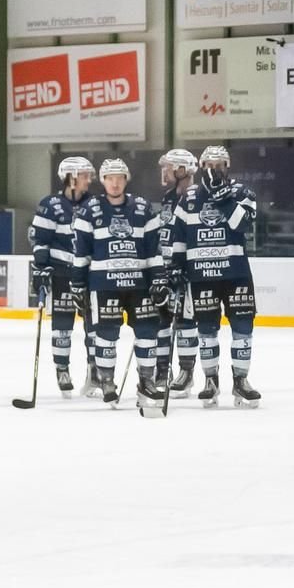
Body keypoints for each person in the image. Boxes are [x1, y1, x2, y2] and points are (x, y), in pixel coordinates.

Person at [69, 157, 170, 415]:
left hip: (139, 286)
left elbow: (153, 250)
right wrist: (77, 284)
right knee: (106, 335)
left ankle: (146, 383)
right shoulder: (89, 210)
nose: (115, 183)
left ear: (126, 179)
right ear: (102, 180)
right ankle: (106, 381)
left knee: (148, 333)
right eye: (110, 178)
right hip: (103, 287)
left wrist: (159, 279)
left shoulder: (143, 208)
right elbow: (81, 254)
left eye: (119, 178)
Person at [170, 145, 262, 408]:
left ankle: (241, 380)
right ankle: (210, 381)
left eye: (220, 164)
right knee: (206, 331)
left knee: (243, 330)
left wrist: (222, 197)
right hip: (202, 277)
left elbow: (242, 225)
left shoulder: (242, 192)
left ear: (227, 166)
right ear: (201, 167)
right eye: (210, 165)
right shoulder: (188, 197)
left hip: (236, 275)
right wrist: (176, 266)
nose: (215, 169)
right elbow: (179, 235)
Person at [29, 155, 94, 398]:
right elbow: (40, 240)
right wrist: (40, 267)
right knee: (62, 325)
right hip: (61, 274)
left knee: (94, 327)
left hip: (88, 276)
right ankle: (62, 369)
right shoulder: (50, 205)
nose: (89, 180)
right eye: (85, 175)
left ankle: (95, 372)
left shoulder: (95, 204)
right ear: (72, 177)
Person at [156, 149, 200, 397]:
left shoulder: (197, 197)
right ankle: (163, 371)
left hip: (187, 269)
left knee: (185, 322)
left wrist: (183, 263)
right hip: (165, 268)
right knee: (162, 319)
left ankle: (186, 372)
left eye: (170, 167)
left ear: (183, 170)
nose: (165, 172)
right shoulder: (168, 197)